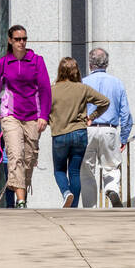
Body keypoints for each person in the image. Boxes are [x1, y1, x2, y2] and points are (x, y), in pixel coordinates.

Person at [0, 24, 51, 208]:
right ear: (10, 40)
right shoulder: (4, 63)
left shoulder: (36, 61)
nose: (22, 42)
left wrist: (44, 115)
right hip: (11, 115)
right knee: (15, 154)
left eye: (24, 39)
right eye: (17, 39)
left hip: (33, 115)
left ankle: (19, 188)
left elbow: (45, 89)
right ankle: (21, 200)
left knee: (29, 158)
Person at [49, 57, 110, 207]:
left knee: (59, 170)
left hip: (60, 134)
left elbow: (43, 110)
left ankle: (65, 193)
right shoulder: (83, 88)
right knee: (75, 172)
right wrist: (91, 117)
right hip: (79, 133)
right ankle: (73, 206)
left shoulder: (52, 90)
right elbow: (105, 102)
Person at [81, 46, 134, 209]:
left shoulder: (83, 83)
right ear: (107, 64)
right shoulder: (117, 83)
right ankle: (111, 189)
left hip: (88, 129)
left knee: (86, 171)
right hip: (109, 129)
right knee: (111, 166)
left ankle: (91, 207)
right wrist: (124, 137)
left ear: (90, 64)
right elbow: (126, 114)